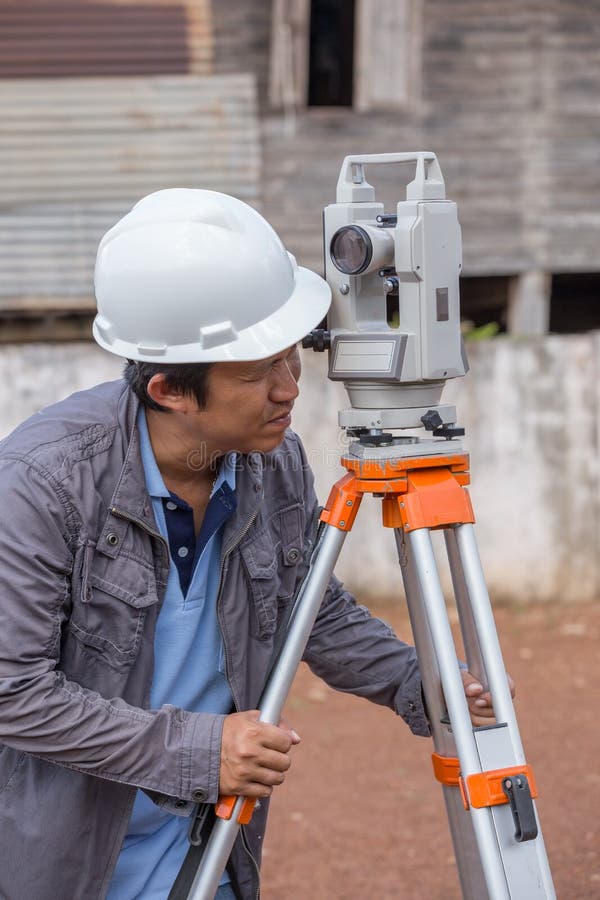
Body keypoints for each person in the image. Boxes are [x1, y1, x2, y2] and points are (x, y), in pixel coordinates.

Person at [0, 189, 501, 900]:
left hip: (203, 849)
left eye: (292, 356)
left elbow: (305, 606)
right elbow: (12, 691)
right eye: (257, 372)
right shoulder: (41, 484)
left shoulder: (271, 461)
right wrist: (198, 752)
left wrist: (413, 682)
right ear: (171, 389)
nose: (289, 388)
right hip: (68, 859)